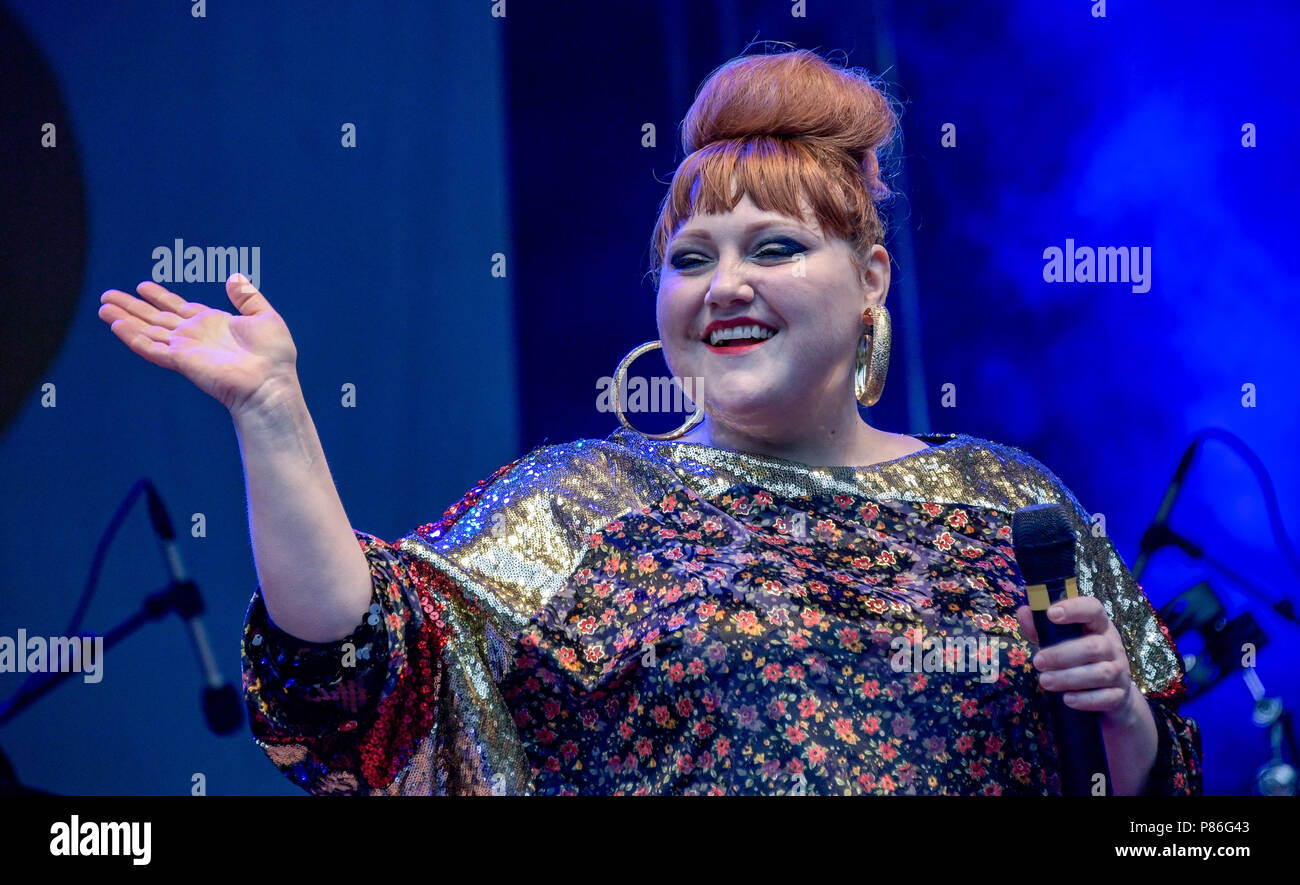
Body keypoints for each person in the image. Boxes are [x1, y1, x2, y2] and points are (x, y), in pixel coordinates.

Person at [98, 48, 1200, 796]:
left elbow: (1171, 816)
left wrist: (1126, 726)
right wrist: (274, 413)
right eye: (688, 260)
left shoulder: (1008, 508)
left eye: (773, 249)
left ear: (871, 277)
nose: (721, 286)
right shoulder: (583, 506)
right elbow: (353, 665)